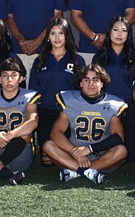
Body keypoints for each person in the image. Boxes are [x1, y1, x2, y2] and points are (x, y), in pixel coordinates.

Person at [42, 64, 128, 184]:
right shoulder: (70, 100)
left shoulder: (113, 104)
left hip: (101, 154)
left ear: (102, 84)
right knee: (48, 145)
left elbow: (118, 137)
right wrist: (75, 152)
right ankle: (89, 172)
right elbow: (56, 133)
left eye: (95, 80)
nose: (91, 84)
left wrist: (89, 149)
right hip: (74, 153)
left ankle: (75, 171)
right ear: (81, 83)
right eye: (86, 80)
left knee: (121, 151)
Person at [29, 18, 85, 165]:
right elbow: (33, 92)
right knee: (47, 160)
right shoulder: (39, 60)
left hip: (68, 113)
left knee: (64, 154)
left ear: (67, 36)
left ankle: (70, 164)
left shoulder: (77, 60)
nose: (57, 37)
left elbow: (82, 91)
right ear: (48, 37)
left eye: (61, 33)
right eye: (53, 33)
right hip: (45, 111)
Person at [92, 16, 135, 162]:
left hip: (127, 103)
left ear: (129, 34)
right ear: (109, 32)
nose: (119, 34)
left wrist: (126, 103)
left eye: (124, 30)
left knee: (131, 155)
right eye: (116, 30)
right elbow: (94, 83)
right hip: (104, 104)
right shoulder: (100, 56)